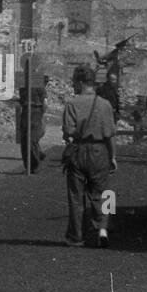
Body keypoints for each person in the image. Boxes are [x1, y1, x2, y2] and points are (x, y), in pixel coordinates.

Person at [61, 64, 116, 248]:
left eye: (75, 82)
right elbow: (110, 135)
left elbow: (68, 131)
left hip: (78, 151)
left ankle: (76, 237)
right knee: (105, 193)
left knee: (76, 196)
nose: (73, 86)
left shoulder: (72, 104)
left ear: (81, 82)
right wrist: (113, 157)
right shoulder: (105, 104)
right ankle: (103, 229)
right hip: (100, 151)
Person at [16, 78, 46, 173]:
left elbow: (44, 102)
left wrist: (41, 114)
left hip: (35, 112)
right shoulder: (23, 86)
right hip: (25, 112)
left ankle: (35, 164)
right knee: (24, 140)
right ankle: (29, 166)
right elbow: (21, 100)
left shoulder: (38, 84)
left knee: (31, 139)